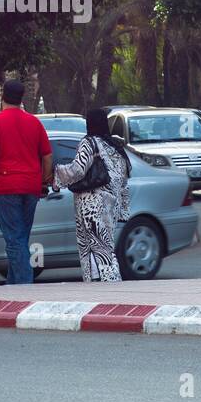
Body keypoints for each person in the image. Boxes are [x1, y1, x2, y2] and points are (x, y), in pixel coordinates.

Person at [0, 79, 53, 284]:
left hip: (6, 186)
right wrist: (45, 180)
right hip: (31, 187)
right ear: (21, 98)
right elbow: (47, 156)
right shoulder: (35, 122)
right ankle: (12, 284)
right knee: (20, 237)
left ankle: (24, 286)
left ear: (2, 97)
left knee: (14, 238)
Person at [53, 108, 130, 282]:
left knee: (97, 249)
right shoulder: (114, 145)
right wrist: (123, 210)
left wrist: (57, 173)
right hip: (111, 204)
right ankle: (97, 285)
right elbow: (124, 180)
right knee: (103, 246)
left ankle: (111, 287)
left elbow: (78, 169)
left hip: (92, 206)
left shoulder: (89, 143)